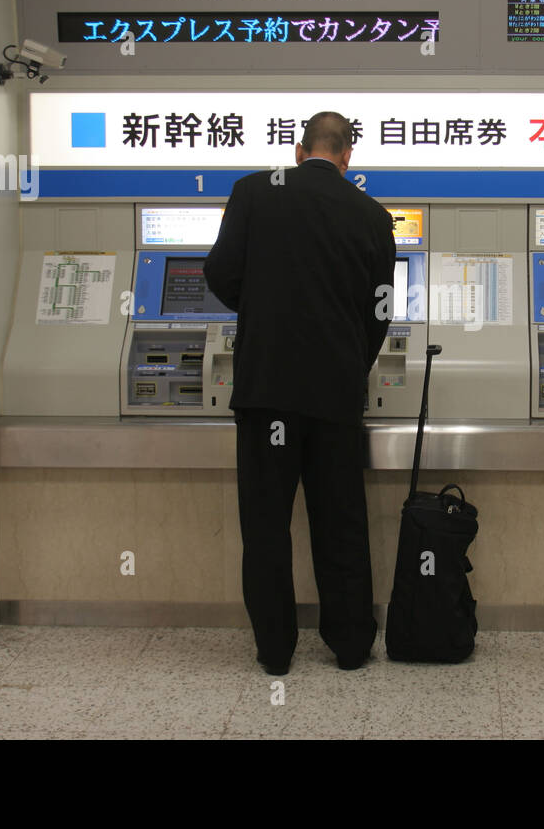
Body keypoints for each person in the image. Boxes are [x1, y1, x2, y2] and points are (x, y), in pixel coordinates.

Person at [204, 111, 395, 676]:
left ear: (298, 149)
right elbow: (381, 308)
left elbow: (218, 273)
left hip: (266, 390)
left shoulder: (252, 193)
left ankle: (275, 651)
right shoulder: (370, 214)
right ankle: (351, 644)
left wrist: (263, 311)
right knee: (340, 519)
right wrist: (351, 357)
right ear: (347, 157)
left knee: (265, 525)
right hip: (334, 393)